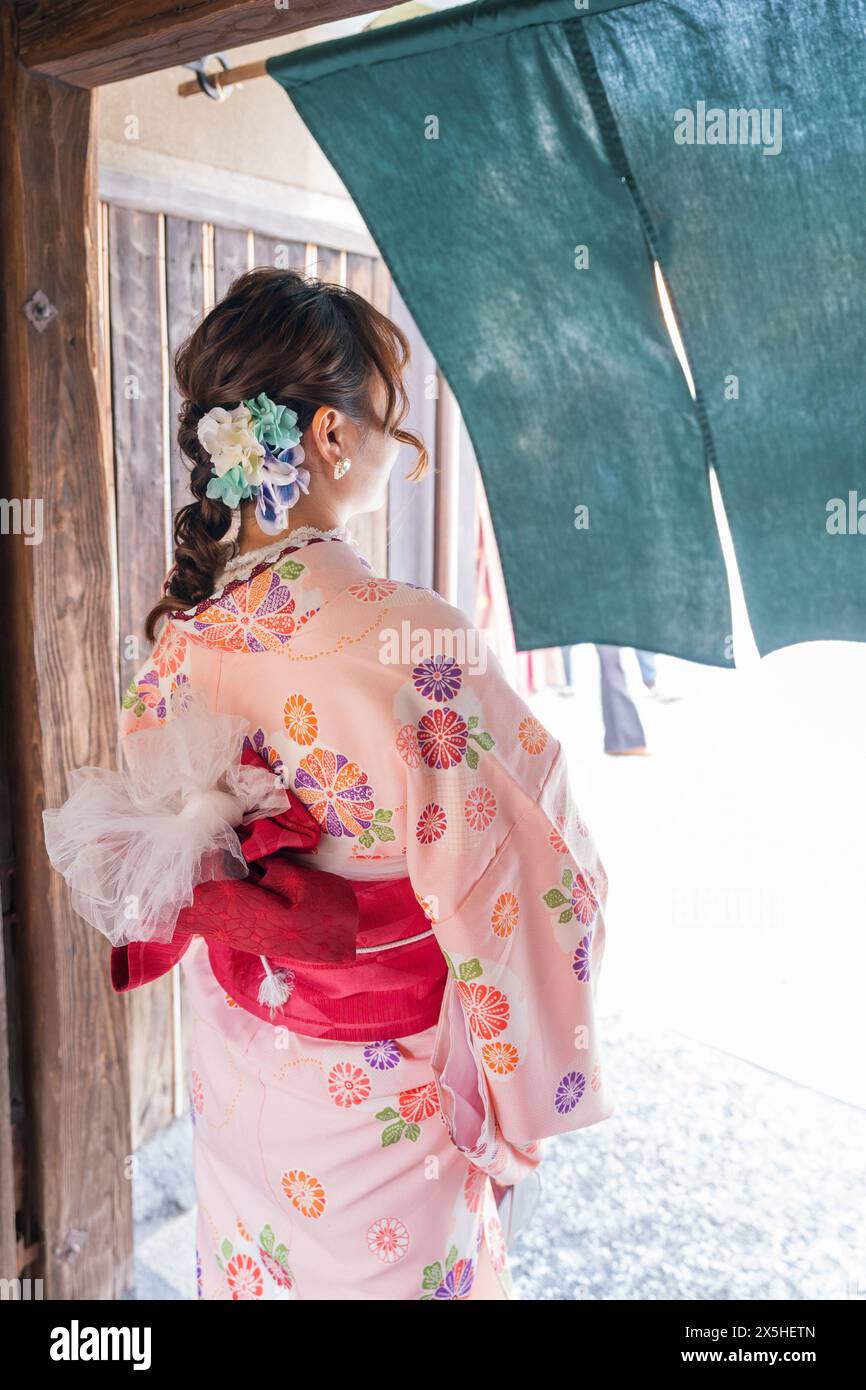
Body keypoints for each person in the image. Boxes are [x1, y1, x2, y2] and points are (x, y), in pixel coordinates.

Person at [43, 269, 613, 1301]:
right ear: (329, 439)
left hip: (245, 1061)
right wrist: (523, 1077)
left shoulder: (179, 636)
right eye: (388, 427)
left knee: (254, 1271)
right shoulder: (410, 637)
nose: (399, 455)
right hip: (383, 1086)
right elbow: (524, 868)